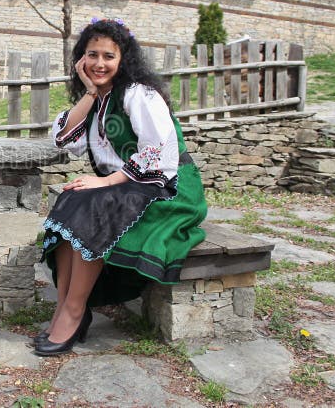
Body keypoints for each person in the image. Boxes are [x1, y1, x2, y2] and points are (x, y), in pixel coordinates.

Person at [33, 18, 208, 357]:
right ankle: (68, 307)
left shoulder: (139, 93)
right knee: (72, 200)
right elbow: (64, 139)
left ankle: (74, 310)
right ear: (81, 60)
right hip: (129, 186)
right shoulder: (100, 97)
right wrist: (89, 91)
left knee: (94, 208)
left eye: (108, 56)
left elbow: (160, 151)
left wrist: (107, 181)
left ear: (123, 59)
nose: (99, 63)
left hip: (167, 187)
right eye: (91, 55)